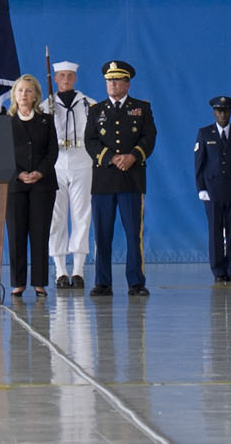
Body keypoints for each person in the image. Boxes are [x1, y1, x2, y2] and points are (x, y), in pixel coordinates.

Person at [85, 60, 156, 297]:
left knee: (133, 233)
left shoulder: (141, 108)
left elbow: (149, 137)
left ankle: (136, 282)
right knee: (102, 234)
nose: (111, 84)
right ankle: (103, 283)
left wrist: (134, 156)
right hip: (104, 180)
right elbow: (90, 141)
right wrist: (112, 158)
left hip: (131, 179)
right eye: (108, 80)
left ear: (127, 83)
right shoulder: (96, 111)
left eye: (116, 80)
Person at [44, 61, 96, 289]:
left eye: (69, 75)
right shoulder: (45, 105)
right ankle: (60, 269)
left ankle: (78, 269)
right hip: (55, 163)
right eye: (61, 75)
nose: (65, 79)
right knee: (56, 215)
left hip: (81, 159)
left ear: (75, 79)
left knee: (81, 213)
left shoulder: (89, 104)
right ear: (55, 79)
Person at [5, 75, 59, 298]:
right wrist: (19, 173)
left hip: (42, 184)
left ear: (36, 95)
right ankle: (18, 282)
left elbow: (52, 152)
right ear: (14, 95)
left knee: (40, 233)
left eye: (28, 91)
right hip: (15, 185)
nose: (24, 95)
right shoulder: (6, 122)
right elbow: (2, 154)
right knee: (16, 234)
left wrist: (39, 172)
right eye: (20, 91)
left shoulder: (46, 120)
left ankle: (39, 282)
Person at [192, 94, 231, 285]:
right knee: (215, 232)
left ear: (230, 112)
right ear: (213, 113)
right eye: (219, 111)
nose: (223, 115)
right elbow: (199, 163)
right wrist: (201, 187)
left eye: (226, 111)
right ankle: (219, 271)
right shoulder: (204, 133)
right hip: (212, 190)